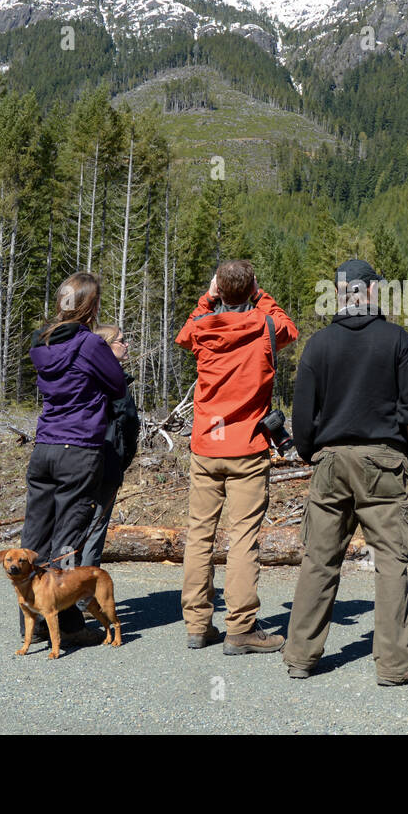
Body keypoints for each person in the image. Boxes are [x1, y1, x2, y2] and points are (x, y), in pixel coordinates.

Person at [284, 258, 408, 686]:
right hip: (383, 460)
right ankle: (396, 665)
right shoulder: (396, 340)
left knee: (319, 559)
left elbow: (302, 416)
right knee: (390, 561)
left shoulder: (319, 344)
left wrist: (312, 452)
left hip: (330, 460)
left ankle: (300, 656)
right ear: (370, 292)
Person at [174, 259, 297, 654]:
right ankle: (240, 628)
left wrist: (208, 299)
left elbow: (184, 334)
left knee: (199, 534)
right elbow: (289, 327)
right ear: (252, 288)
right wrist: (259, 295)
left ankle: (197, 625)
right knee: (243, 538)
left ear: (218, 290)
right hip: (246, 445)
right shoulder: (264, 325)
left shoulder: (202, 327)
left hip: (207, 443)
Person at [21, 272, 128, 647]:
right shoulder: (88, 344)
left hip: (44, 446)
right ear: (90, 307)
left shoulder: (39, 341)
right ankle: (66, 626)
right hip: (79, 448)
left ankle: (29, 625)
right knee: (67, 541)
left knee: (34, 537)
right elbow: (117, 383)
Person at [76, 325, 139, 613]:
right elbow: (127, 421)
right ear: (105, 348)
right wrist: (123, 460)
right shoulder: (114, 381)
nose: (127, 344)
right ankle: (85, 598)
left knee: (74, 527)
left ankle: (72, 596)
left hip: (78, 461)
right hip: (105, 462)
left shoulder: (83, 375)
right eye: (121, 340)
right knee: (93, 531)